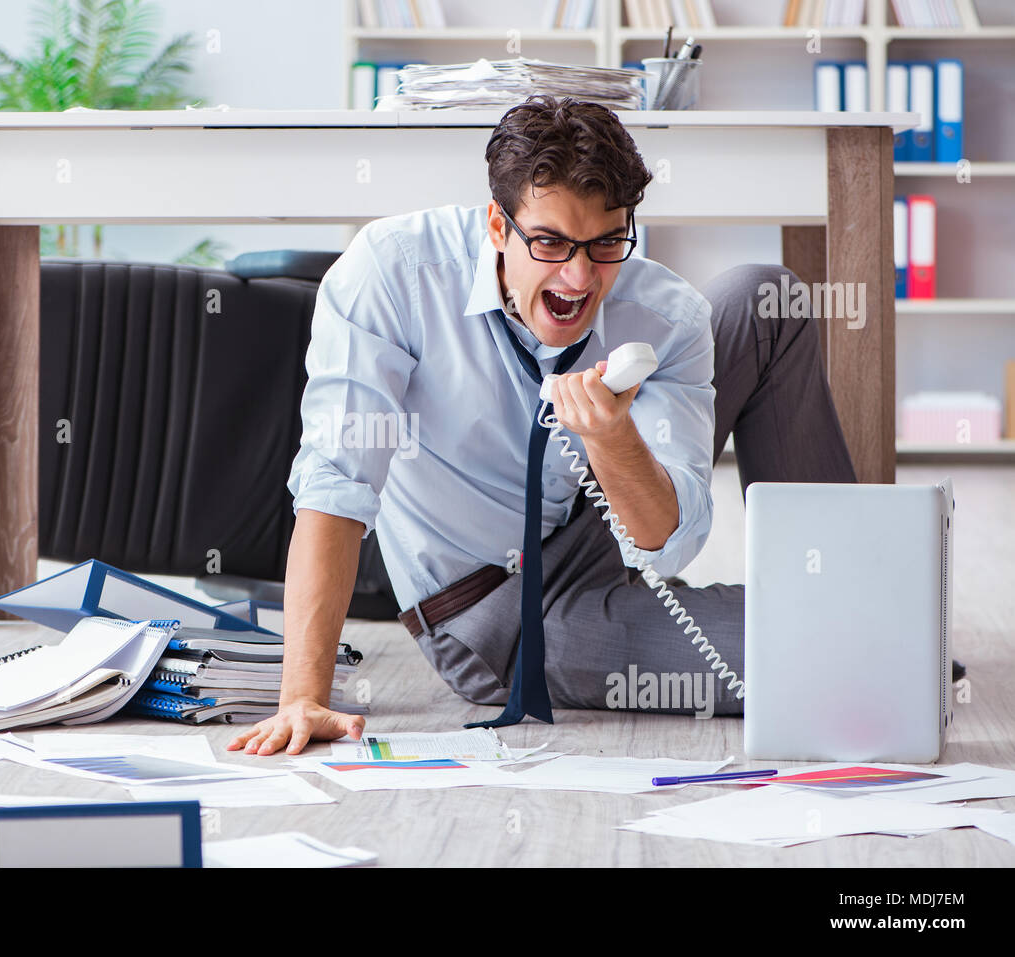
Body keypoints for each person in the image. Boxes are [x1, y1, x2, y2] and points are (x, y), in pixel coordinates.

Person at [226, 94, 857, 757]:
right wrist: (302, 694)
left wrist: (614, 439)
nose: (580, 277)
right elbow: (337, 485)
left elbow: (666, 544)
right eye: (551, 243)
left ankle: (854, 589)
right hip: (492, 609)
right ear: (498, 227)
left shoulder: (660, 311)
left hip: (597, 514)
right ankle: (858, 639)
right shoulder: (392, 273)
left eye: (607, 242)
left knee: (764, 298)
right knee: (828, 654)